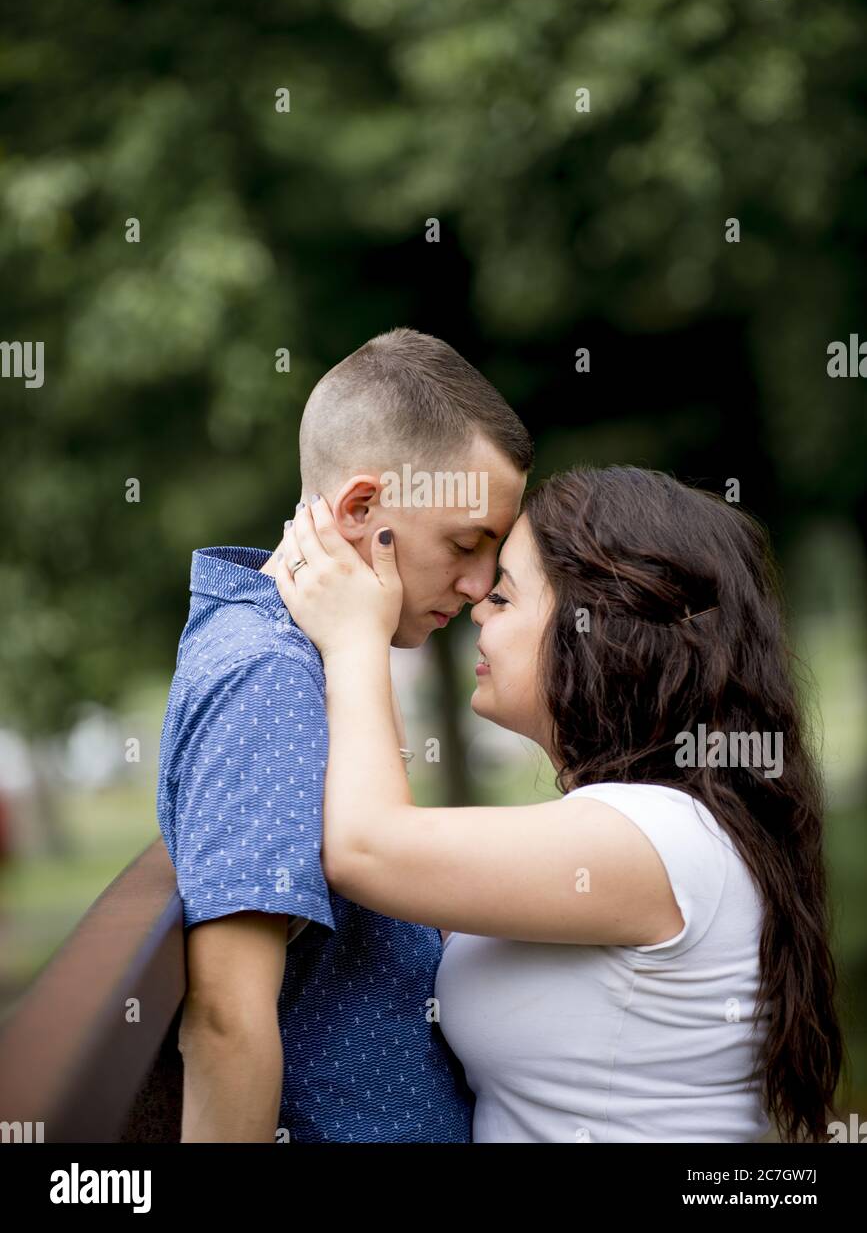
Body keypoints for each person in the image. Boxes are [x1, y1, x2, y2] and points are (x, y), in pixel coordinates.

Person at [275, 465, 844, 1144]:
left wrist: (353, 639)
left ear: (597, 630)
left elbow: (367, 847)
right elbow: (400, 843)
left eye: (505, 598)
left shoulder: (656, 837)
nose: (476, 606)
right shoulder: (647, 828)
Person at [156, 328, 531, 1141]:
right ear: (362, 509)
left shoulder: (306, 661)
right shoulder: (268, 675)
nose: (475, 588)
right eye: (464, 545)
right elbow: (226, 1015)